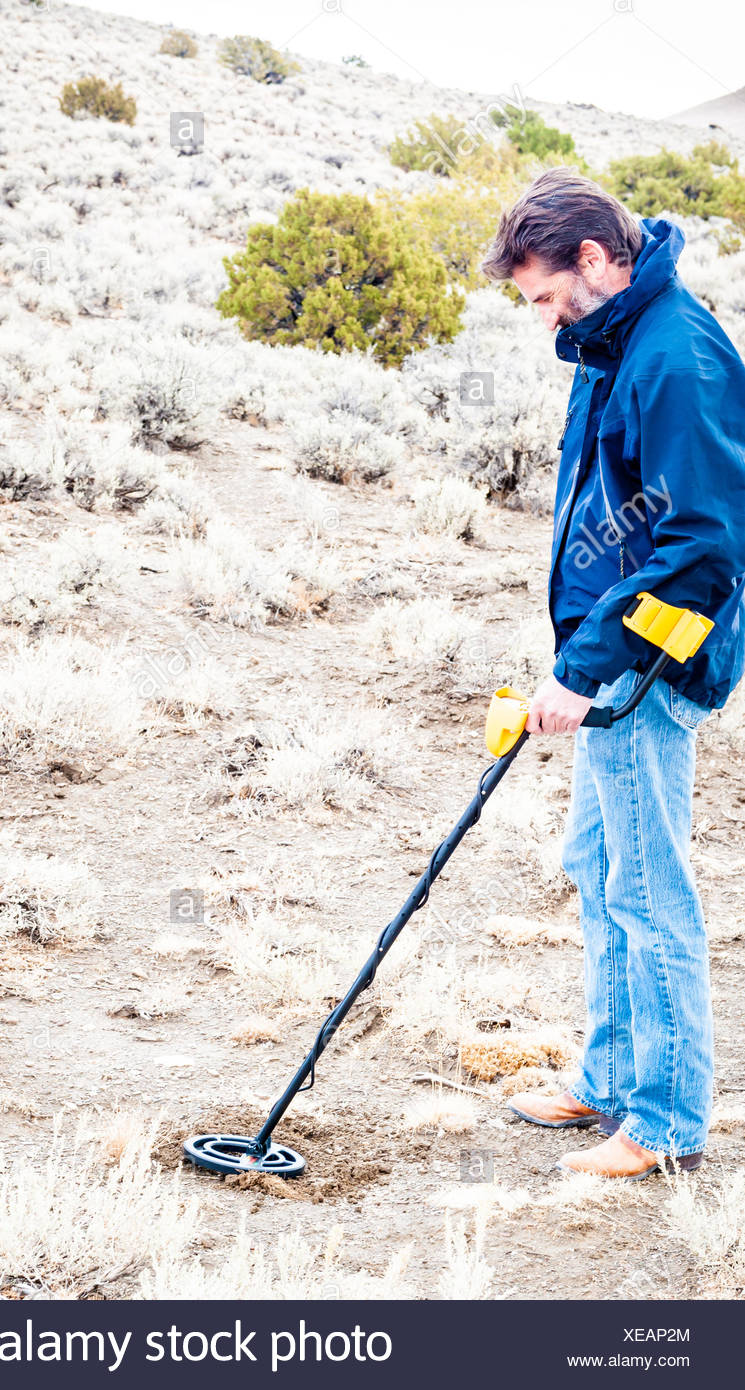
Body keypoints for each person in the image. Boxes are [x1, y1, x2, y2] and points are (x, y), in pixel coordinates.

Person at [481, 168, 745, 1179]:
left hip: (646, 664)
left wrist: (588, 664)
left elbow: (701, 545)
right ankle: (608, 1075)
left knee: (646, 891)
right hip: (606, 652)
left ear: (594, 259)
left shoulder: (676, 356)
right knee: (598, 873)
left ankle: (667, 1121)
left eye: (546, 294)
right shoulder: (610, 340)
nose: (541, 316)